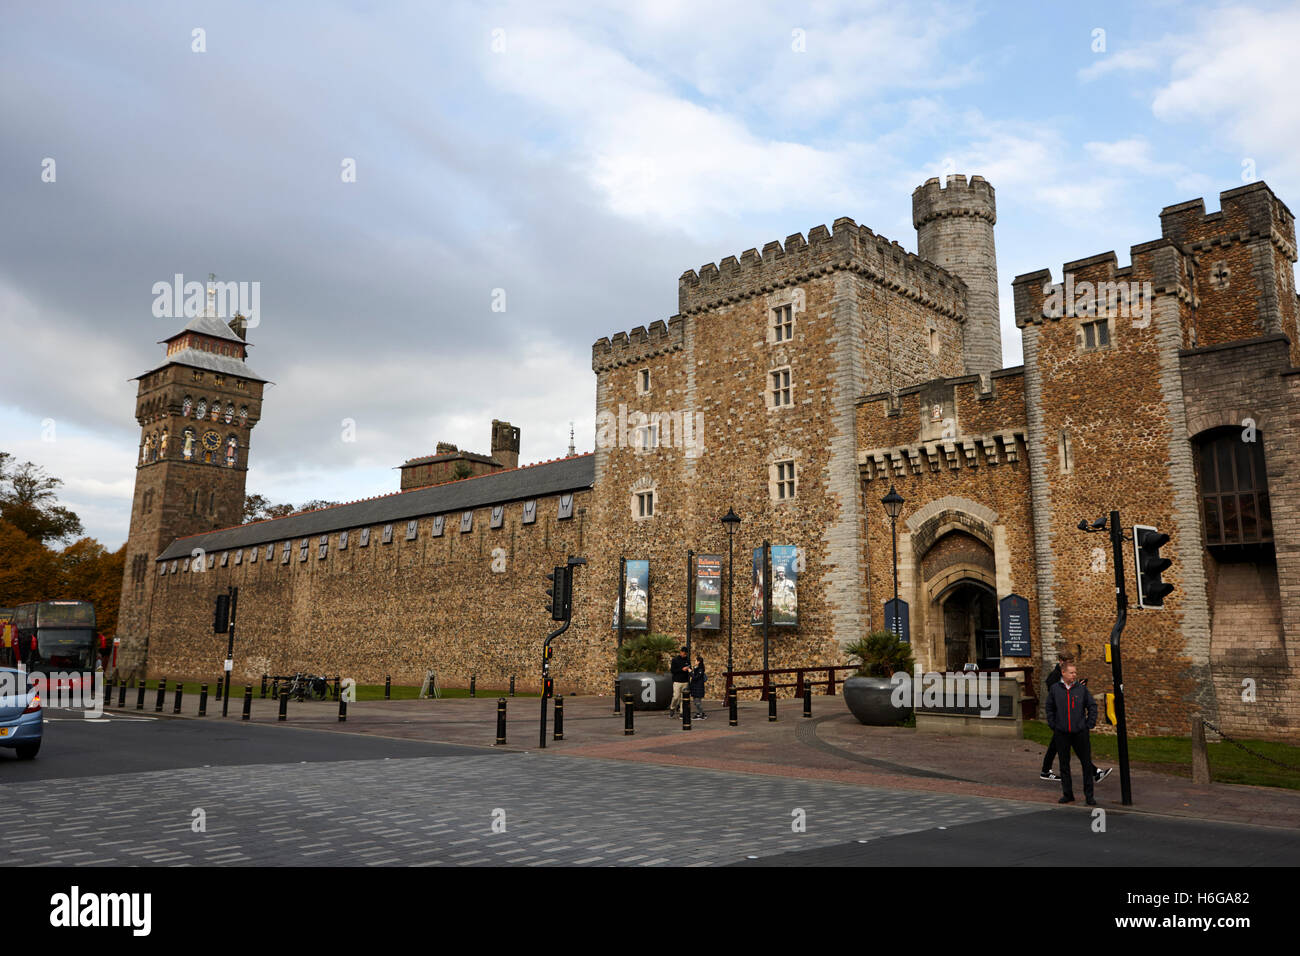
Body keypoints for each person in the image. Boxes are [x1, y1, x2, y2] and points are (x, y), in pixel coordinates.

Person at [1039, 655, 1112, 785]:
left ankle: (1046, 770)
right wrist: (1053, 722)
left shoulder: (1069, 680)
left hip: (1068, 722)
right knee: (1070, 750)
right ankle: (1093, 773)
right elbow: (1053, 698)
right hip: (1061, 720)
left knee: (1057, 747)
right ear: (1062, 663)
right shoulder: (1054, 678)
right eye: (1068, 664)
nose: (1072, 672)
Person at [1044, 660, 1099, 805]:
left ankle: (1089, 796)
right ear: (1063, 673)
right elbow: (1049, 707)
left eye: (1075, 673)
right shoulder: (1055, 689)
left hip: (1080, 732)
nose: (1074, 675)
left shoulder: (1081, 689)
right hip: (1062, 733)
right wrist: (1053, 724)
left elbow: (1092, 706)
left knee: (1086, 764)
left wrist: (1089, 724)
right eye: (1071, 672)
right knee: (1064, 765)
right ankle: (1067, 794)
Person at [668, 647, 691, 717]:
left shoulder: (687, 659)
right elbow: (672, 670)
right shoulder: (675, 660)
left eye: (686, 654)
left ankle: (682, 712)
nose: (685, 655)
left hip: (685, 681)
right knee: (676, 697)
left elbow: (690, 668)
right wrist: (682, 669)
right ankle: (672, 707)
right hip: (677, 681)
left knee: (683, 698)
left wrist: (689, 669)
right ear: (681, 652)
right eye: (684, 654)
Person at [689, 654, 707, 719]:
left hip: (699, 688)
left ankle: (702, 714)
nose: (695, 661)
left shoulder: (701, 669)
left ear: (699, 662)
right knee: (695, 702)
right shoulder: (696, 668)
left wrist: (690, 672)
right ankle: (699, 713)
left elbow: (695, 677)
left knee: (698, 702)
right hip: (695, 687)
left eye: (696, 661)